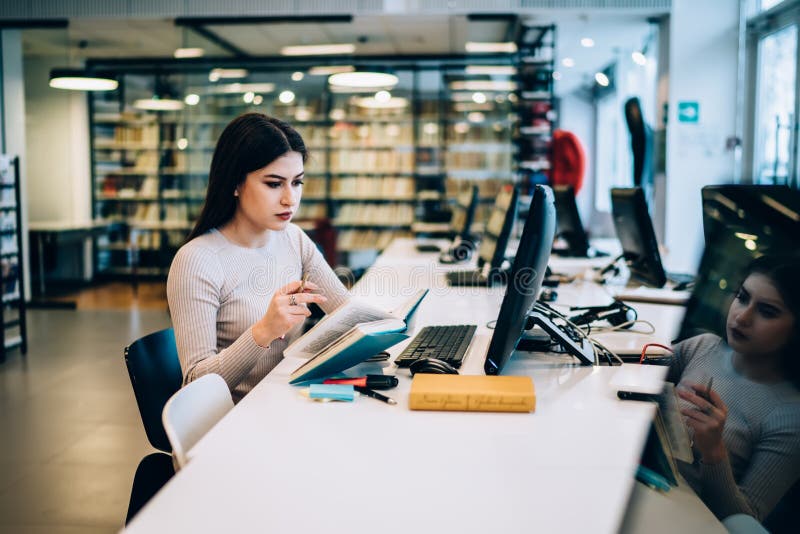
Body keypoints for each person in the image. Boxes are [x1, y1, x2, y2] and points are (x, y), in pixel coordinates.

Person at [167, 113, 350, 403]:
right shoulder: (196, 260)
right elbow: (195, 384)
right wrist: (264, 331)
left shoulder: (294, 238)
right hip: (235, 420)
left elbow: (345, 313)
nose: (290, 199)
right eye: (274, 184)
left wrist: (388, 323)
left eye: (297, 182)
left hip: (287, 399)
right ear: (236, 183)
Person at [668, 254, 800, 521]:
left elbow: (744, 521)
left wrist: (714, 452)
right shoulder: (703, 346)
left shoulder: (790, 416)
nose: (742, 317)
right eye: (742, 297)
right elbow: (635, 372)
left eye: (767, 311)